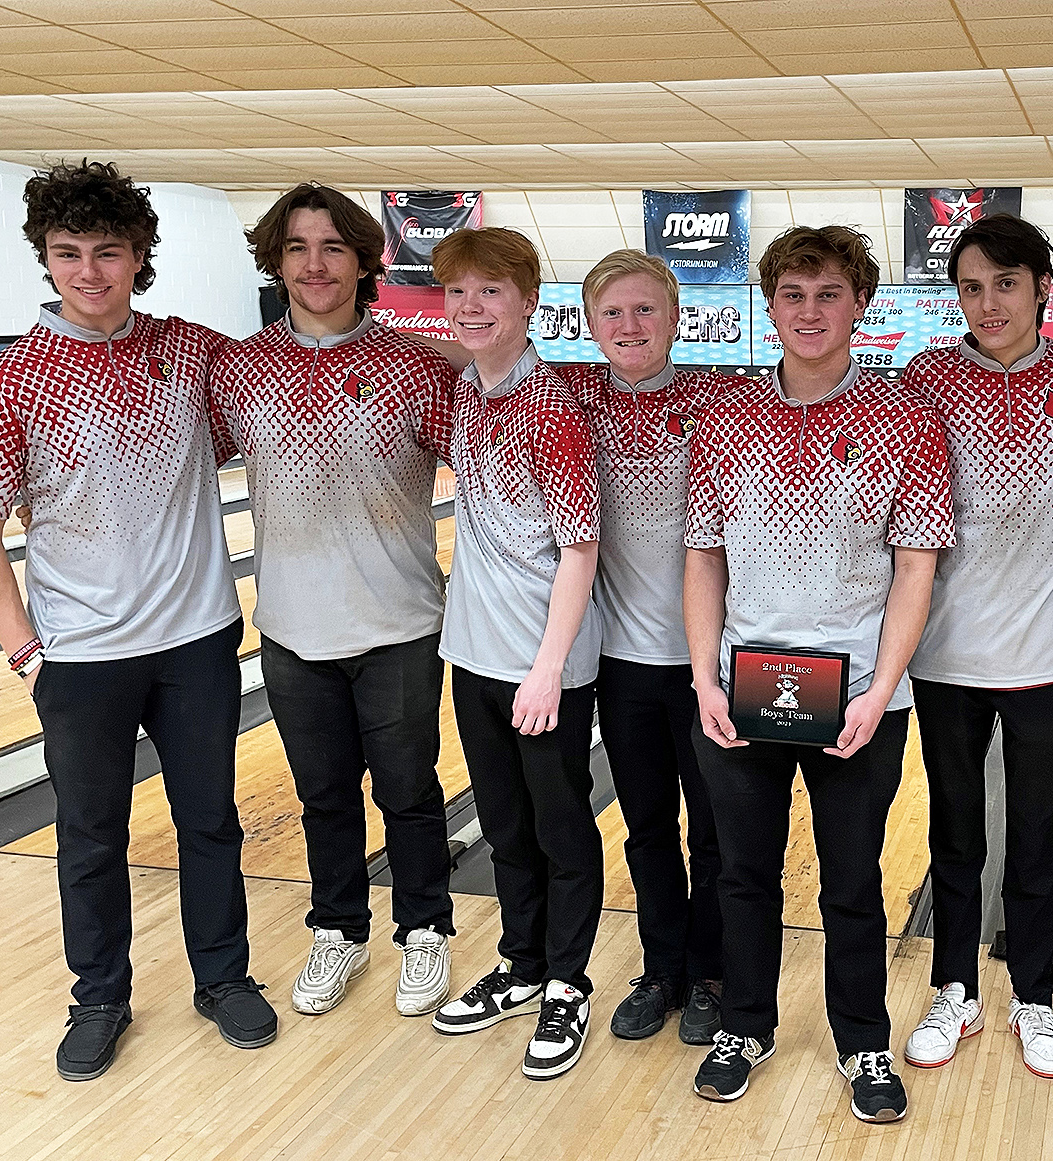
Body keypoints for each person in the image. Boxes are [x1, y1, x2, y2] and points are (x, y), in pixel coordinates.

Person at [0, 161, 275, 1081]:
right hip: (80, 654)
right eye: (67, 253)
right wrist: (24, 648)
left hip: (194, 639)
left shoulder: (191, 353)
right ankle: (100, 996)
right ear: (44, 256)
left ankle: (223, 978)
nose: (87, 271)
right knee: (90, 835)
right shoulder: (15, 380)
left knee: (210, 822)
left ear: (140, 256)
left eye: (106, 252)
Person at [685, 225, 954, 1124]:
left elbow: (916, 564)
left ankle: (861, 1039)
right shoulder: (726, 417)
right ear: (770, 304)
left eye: (828, 295)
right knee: (744, 873)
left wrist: (881, 691)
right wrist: (703, 680)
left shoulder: (904, 419)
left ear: (860, 304)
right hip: (742, 685)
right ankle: (747, 1026)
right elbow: (703, 559)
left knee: (853, 880)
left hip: (860, 697)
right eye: (792, 296)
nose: (809, 312)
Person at [209, 183, 459, 1020]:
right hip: (289, 629)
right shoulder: (240, 369)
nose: (314, 265)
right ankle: (339, 930)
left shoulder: (417, 368)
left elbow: (496, 471)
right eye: (296, 249)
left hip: (398, 625)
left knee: (409, 791)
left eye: (332, 248)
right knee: (321, 796)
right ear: (276, 263)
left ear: (363, 260)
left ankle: (424, 929)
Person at [899, 213, 1053, 1079]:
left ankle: (1032, 996)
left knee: (1032, 840)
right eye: (971, 287)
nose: (987, 303)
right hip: (945, 655)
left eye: (1006, 284)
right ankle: (955, 989)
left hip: (1047, 658)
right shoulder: (923, 379)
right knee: (956, 838)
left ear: (1041, 288)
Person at [425, 227, 604, 1082]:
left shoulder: (552, 406)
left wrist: (547, 668)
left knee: (562, 827)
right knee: (504, 827)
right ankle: (523, 963)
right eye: (457, 292)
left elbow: (580, 548)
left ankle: (568, 981)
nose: (471, 307)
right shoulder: (465, 390)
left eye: (490, 292)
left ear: (529, 303)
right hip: (476, 653)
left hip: (544, 665)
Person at [556, 251, 735, 1046]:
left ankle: (713, 973)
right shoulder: (571, 396)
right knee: (648, 828)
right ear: (589, 323)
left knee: (718, 831)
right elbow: (471, 350)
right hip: (623, 667)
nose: (629, 326)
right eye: (612, 313)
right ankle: (662, 968)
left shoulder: (721, 398)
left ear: (674, 316)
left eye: (645, 310)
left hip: (712, 665)